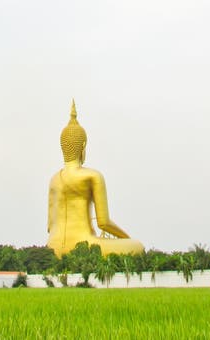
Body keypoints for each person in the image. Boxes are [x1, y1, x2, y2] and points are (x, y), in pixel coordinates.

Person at [47, 101, 144, 257]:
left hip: (53, 248)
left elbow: (50, 226)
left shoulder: (54, 180)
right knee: (137, 246)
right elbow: (103, 223)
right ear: (83, 146)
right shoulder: (92, 176)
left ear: (63, 147)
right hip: (85, 245)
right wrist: (125, 237)